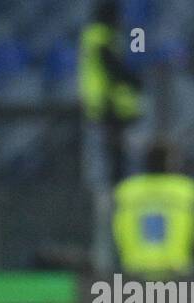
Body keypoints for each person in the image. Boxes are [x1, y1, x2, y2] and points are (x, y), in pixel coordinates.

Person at [112, 142, 194, 278]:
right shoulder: (185, 189)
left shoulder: (128, 189)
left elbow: (117, 228)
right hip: (175, 266)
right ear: (171, 162)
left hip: (135, 267)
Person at [78, 0, 142, 186]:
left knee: (113, 154)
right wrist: (133, 81)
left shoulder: (98, 36)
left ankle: (113, 188)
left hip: (105, 106)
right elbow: (112, 68)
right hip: (109, 105)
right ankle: (114, 190)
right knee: (114, 156)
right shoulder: (101, 36)